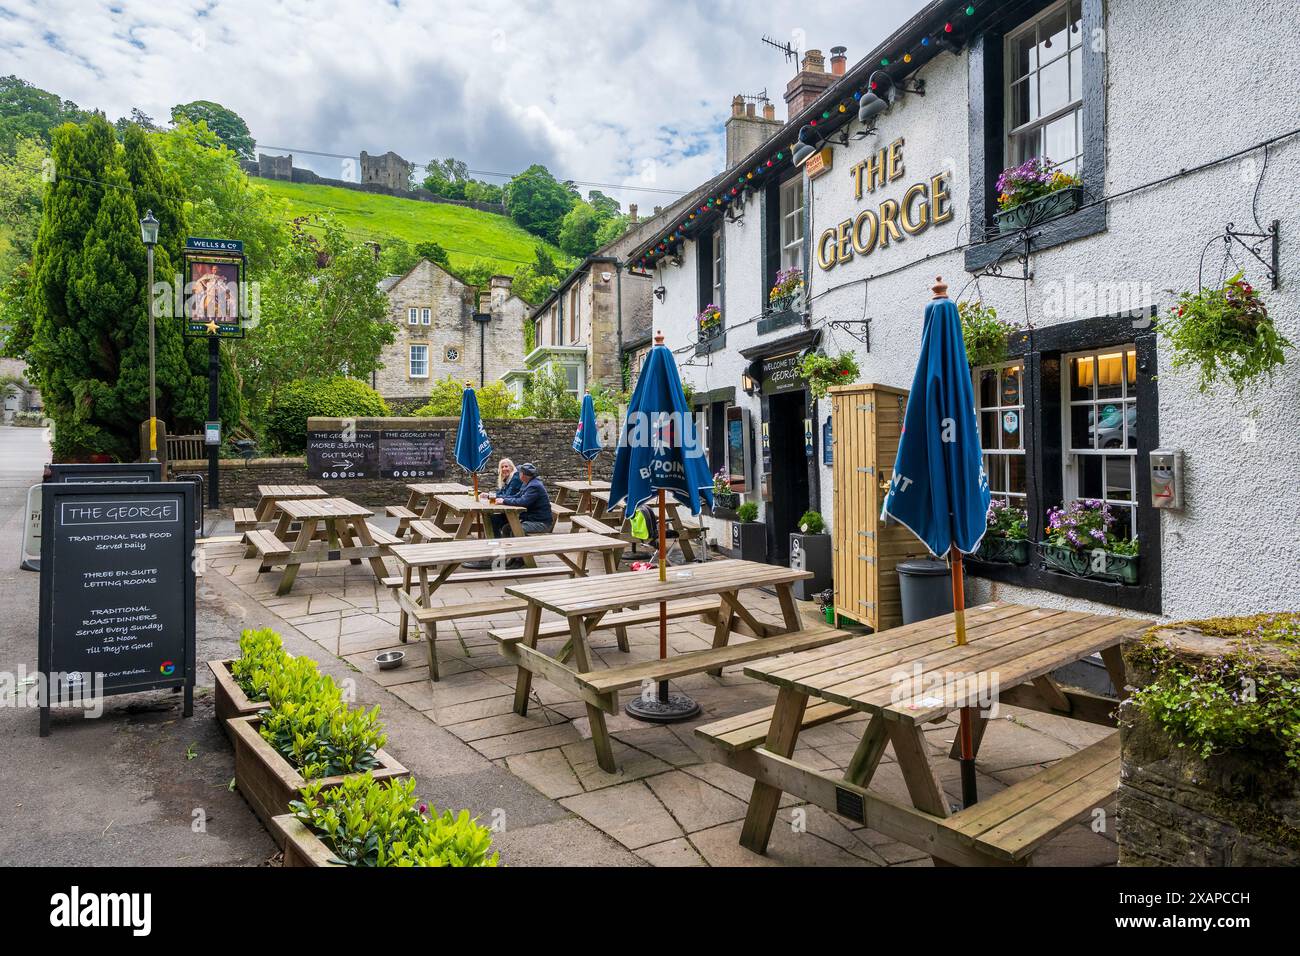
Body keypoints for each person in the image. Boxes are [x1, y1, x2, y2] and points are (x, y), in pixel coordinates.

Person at [490, 462, 553, 538]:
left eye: (519, 472)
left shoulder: (534, 486)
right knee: (507, 528)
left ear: (523, 475)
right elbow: (517, 496)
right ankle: (508, 547)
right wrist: (502, 499)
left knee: (515, 529)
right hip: (531, 519)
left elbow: (523, 501)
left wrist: (504, 501)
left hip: (541, 523)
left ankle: (519, 549)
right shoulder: (527, 483)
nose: (517, 474)